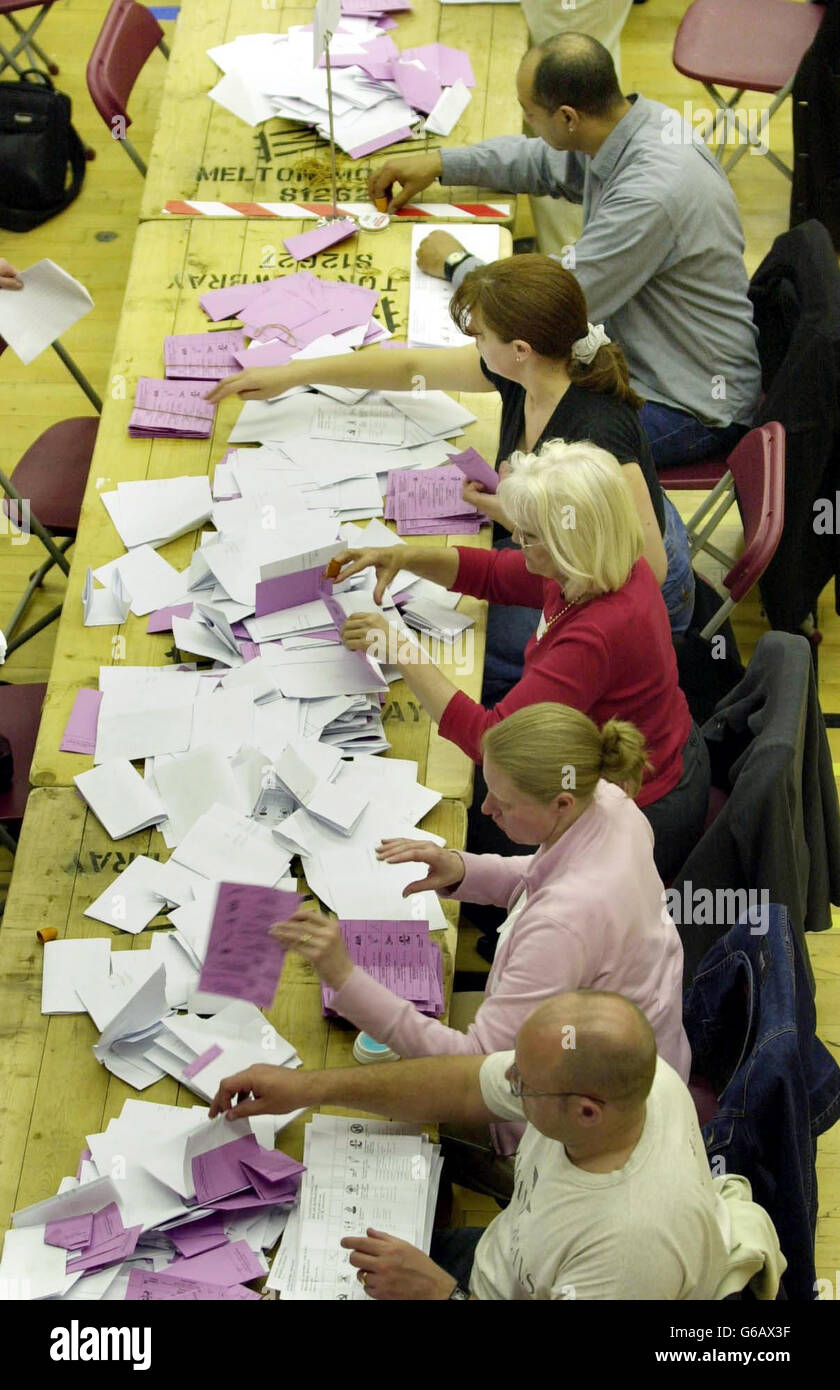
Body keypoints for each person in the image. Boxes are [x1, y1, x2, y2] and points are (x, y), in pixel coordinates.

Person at [270, 703, 691, 1195]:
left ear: (560, 803)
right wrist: (462, 869)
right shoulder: (605, 801)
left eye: (504, 802)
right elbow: (542, 877)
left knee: (378, 1112)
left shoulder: (562, 926)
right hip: (645, 1061)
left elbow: (474, 1072)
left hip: (587, 1128)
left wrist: (345, 978)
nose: (487, 809)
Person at [205, 252, 695, 638]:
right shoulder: (529, 372)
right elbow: (408, 369)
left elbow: (645, 574)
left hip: (623, 602)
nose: (475, 346)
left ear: (521, 349)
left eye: (481, 336)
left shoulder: (598, 435)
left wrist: (519, 519)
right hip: (568, 561)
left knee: (462, 640)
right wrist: (292, 374)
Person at [209, 991, 785, 1300]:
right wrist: (309, 1088)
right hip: (507, 1260)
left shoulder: (631, 1250)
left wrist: (440, 1294)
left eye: (523, 1084)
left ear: (585, 1111)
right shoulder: (634, 1078)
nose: (509, 1083)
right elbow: (462, 1084)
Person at [368, 34, 761, 467]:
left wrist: (458, 265)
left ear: (568, 116)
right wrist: (442, 163)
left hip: (687, 405)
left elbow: (550, 311)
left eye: (530, 114)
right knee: (510, 390)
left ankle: (504, 536)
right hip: (647, 360)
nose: (528, 122)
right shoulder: (630, 126)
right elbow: (538, 161)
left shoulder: (651, 196)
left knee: (524, 455)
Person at [332, 441, 710, 883]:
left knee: (444, 822)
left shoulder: (595, 636)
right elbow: (494, 574)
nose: (519, 542)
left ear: (570, 545)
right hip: (645, 760)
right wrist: (404, 556)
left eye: (530, 536)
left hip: (639, 813)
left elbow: (493, 741)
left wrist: (401, 651)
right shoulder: (599, 567)